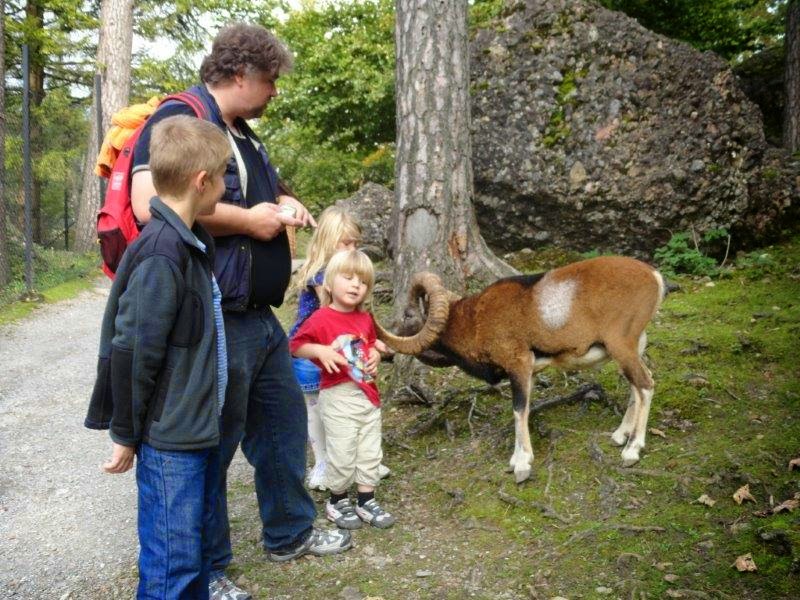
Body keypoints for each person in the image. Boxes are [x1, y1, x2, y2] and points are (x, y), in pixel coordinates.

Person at [129, 23, 351, 600]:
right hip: (214, 318)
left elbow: (255, 197)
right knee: (213, 443)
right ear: (239, 74)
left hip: (257, 316)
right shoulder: (181, 119)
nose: (275, 91)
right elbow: (149, 204)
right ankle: (210, 569)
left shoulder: (244, 134)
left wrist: (282, 202)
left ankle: (290, 533)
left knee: (281, 426)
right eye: (270, 79)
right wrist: (250, 221)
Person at [85, 115, 232, 598]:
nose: (227, 185)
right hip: (170, 440)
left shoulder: (191, 243)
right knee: (172, 562)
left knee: (189, 556)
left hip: (195, 428)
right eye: (225, 174)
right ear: (201, 181)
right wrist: (125, 432)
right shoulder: (161, 254)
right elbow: (132, 350)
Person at [290, 250, 396, 530]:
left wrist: (375, 354)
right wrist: (321, 351)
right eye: (347, 278)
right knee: (342, 451)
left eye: (362, 282)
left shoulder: (364, 318)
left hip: (368, 396)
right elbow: (296, 345)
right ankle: (337, 500)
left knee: (370, 450)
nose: (355, 285)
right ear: (328, 283)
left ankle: (366, 499)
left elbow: (370, 344)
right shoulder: (321, 318)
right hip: (337, 396)